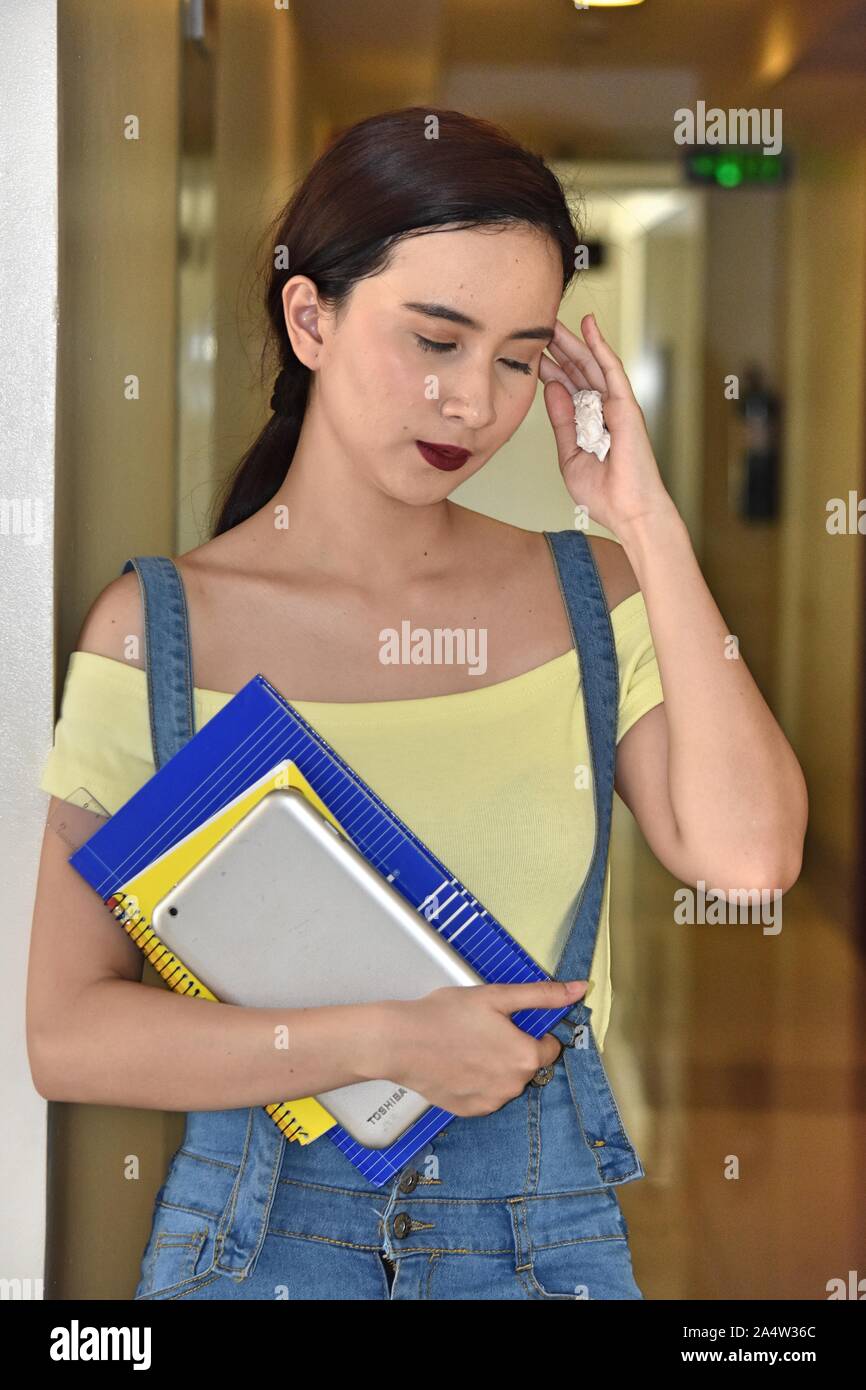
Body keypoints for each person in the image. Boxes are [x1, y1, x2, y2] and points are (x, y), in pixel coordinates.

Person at [27, 106, 808, 1301]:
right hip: (253, 1238)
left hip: (538, 1243)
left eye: (514, 358)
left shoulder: (587, 594)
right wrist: (384, 1042)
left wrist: (643, 520)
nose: (471, 404)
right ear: (311, 318)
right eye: (433, 340)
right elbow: (65, 1031)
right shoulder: (157, 637)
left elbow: (750, 856)